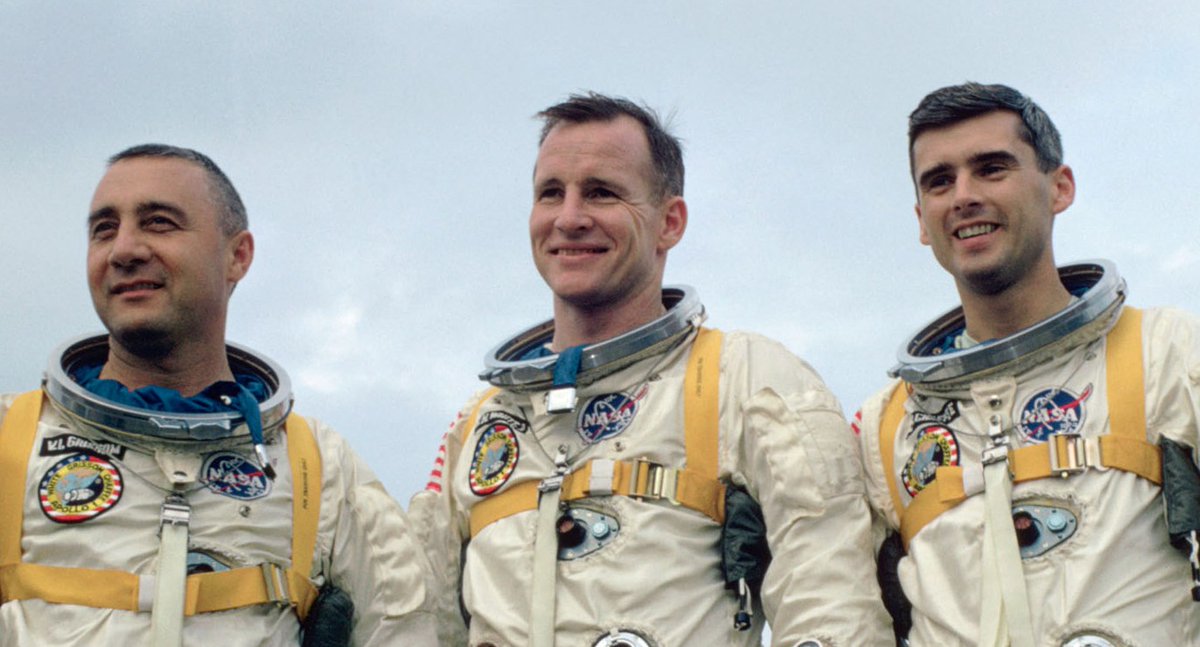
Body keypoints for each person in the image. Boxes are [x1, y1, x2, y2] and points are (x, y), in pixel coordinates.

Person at [409, 93, 890, 647]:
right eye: (550, 193)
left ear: (670, 222)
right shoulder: (480, 425)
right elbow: (417, 622)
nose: (569, 218)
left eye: (601, 192)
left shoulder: (746, 377)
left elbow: (831, 606)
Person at [0, 144, 436, 646]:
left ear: (237, 256)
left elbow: (407, 629)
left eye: (159, 223)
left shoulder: (319, 467)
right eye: (104, 229)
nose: (124, 250)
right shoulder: (12, 439)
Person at [856, 82, 1200, 646]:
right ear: (921, 220)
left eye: (991, 169)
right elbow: (836, 608)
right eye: (940, 181)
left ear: (1059, 187)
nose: (964, 196)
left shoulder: (1170, 353)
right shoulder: (884, 427)